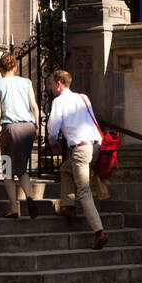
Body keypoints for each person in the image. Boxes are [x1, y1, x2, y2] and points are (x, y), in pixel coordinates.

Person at [46, 69, 109, 250]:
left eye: (51, 84)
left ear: (58, 84)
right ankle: (68, 206)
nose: (50, 88)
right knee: (65, 170)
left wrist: (53, 143)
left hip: (81, 149)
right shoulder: (83, 97)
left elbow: (52, 128)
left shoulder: (59, 101)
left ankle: (99, 232)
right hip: (96, 145)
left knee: (83, 191)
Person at [0, 53, 41, 218]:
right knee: (22, 167)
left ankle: (14, 207)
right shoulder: (26, 82)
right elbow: (34, 106)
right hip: (28, 127)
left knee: (7, 168)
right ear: (16, 67)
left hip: (10, 128)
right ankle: (29, 198)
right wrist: (37, 126)